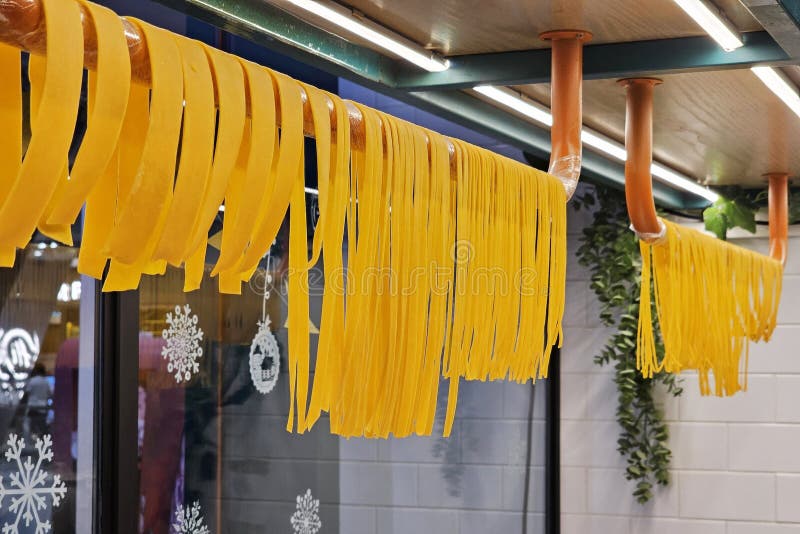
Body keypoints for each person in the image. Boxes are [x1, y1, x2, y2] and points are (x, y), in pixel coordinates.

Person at [24, 363, 52, 439]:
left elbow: (26, 393)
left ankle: (32, 442)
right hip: (42, 408)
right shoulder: (46, 382)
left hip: (32, 407)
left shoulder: (32, 381)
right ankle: (41, 442)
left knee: (32, 427)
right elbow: (50, 394)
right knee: (41, 427)